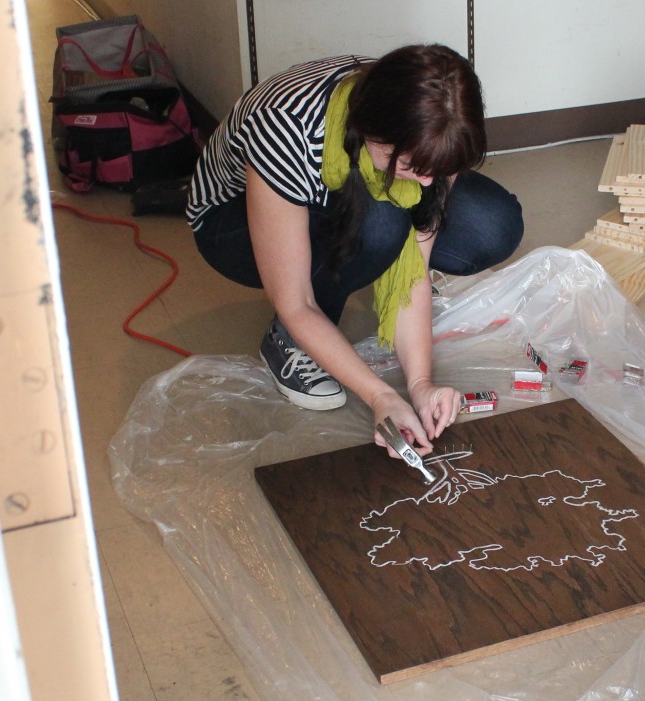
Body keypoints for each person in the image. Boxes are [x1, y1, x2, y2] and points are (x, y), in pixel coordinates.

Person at [186, 45, 523, 457]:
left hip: (347, 182)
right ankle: (289, 342)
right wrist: (380, 395)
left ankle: (367, 259)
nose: (425, 183)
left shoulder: (435, 126)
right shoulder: (285, 128)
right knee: (383, 223)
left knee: (493, 222)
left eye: (437, 170)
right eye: (413, 167)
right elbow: (294, 302)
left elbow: (414, 262)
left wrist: (420, 385)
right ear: (372, 131)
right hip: (229, 222)